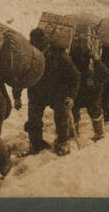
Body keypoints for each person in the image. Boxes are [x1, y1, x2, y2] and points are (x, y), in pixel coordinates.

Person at [24, 28, 80, 156]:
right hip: (36, 94)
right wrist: (16, 96)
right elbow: (21, 74)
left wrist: (71, 96)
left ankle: (62, 143)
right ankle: (36, 144)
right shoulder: (28, 55)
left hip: (58, 93)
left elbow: (75, 76)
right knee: (33, 121)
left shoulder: (60, 56)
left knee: (61, 119)